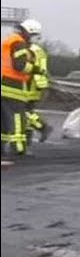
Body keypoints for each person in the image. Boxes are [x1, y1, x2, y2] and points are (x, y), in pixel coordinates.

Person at [1, 19, 41, 157]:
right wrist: (36, 69)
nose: (34, 39)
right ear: (28, 32)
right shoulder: (19, 43)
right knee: (18, 117)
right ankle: (18, 148)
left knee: (4, 119)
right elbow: (20, 65)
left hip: (3, 85)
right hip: (12, 86)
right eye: (34, 35)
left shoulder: (9, 41)